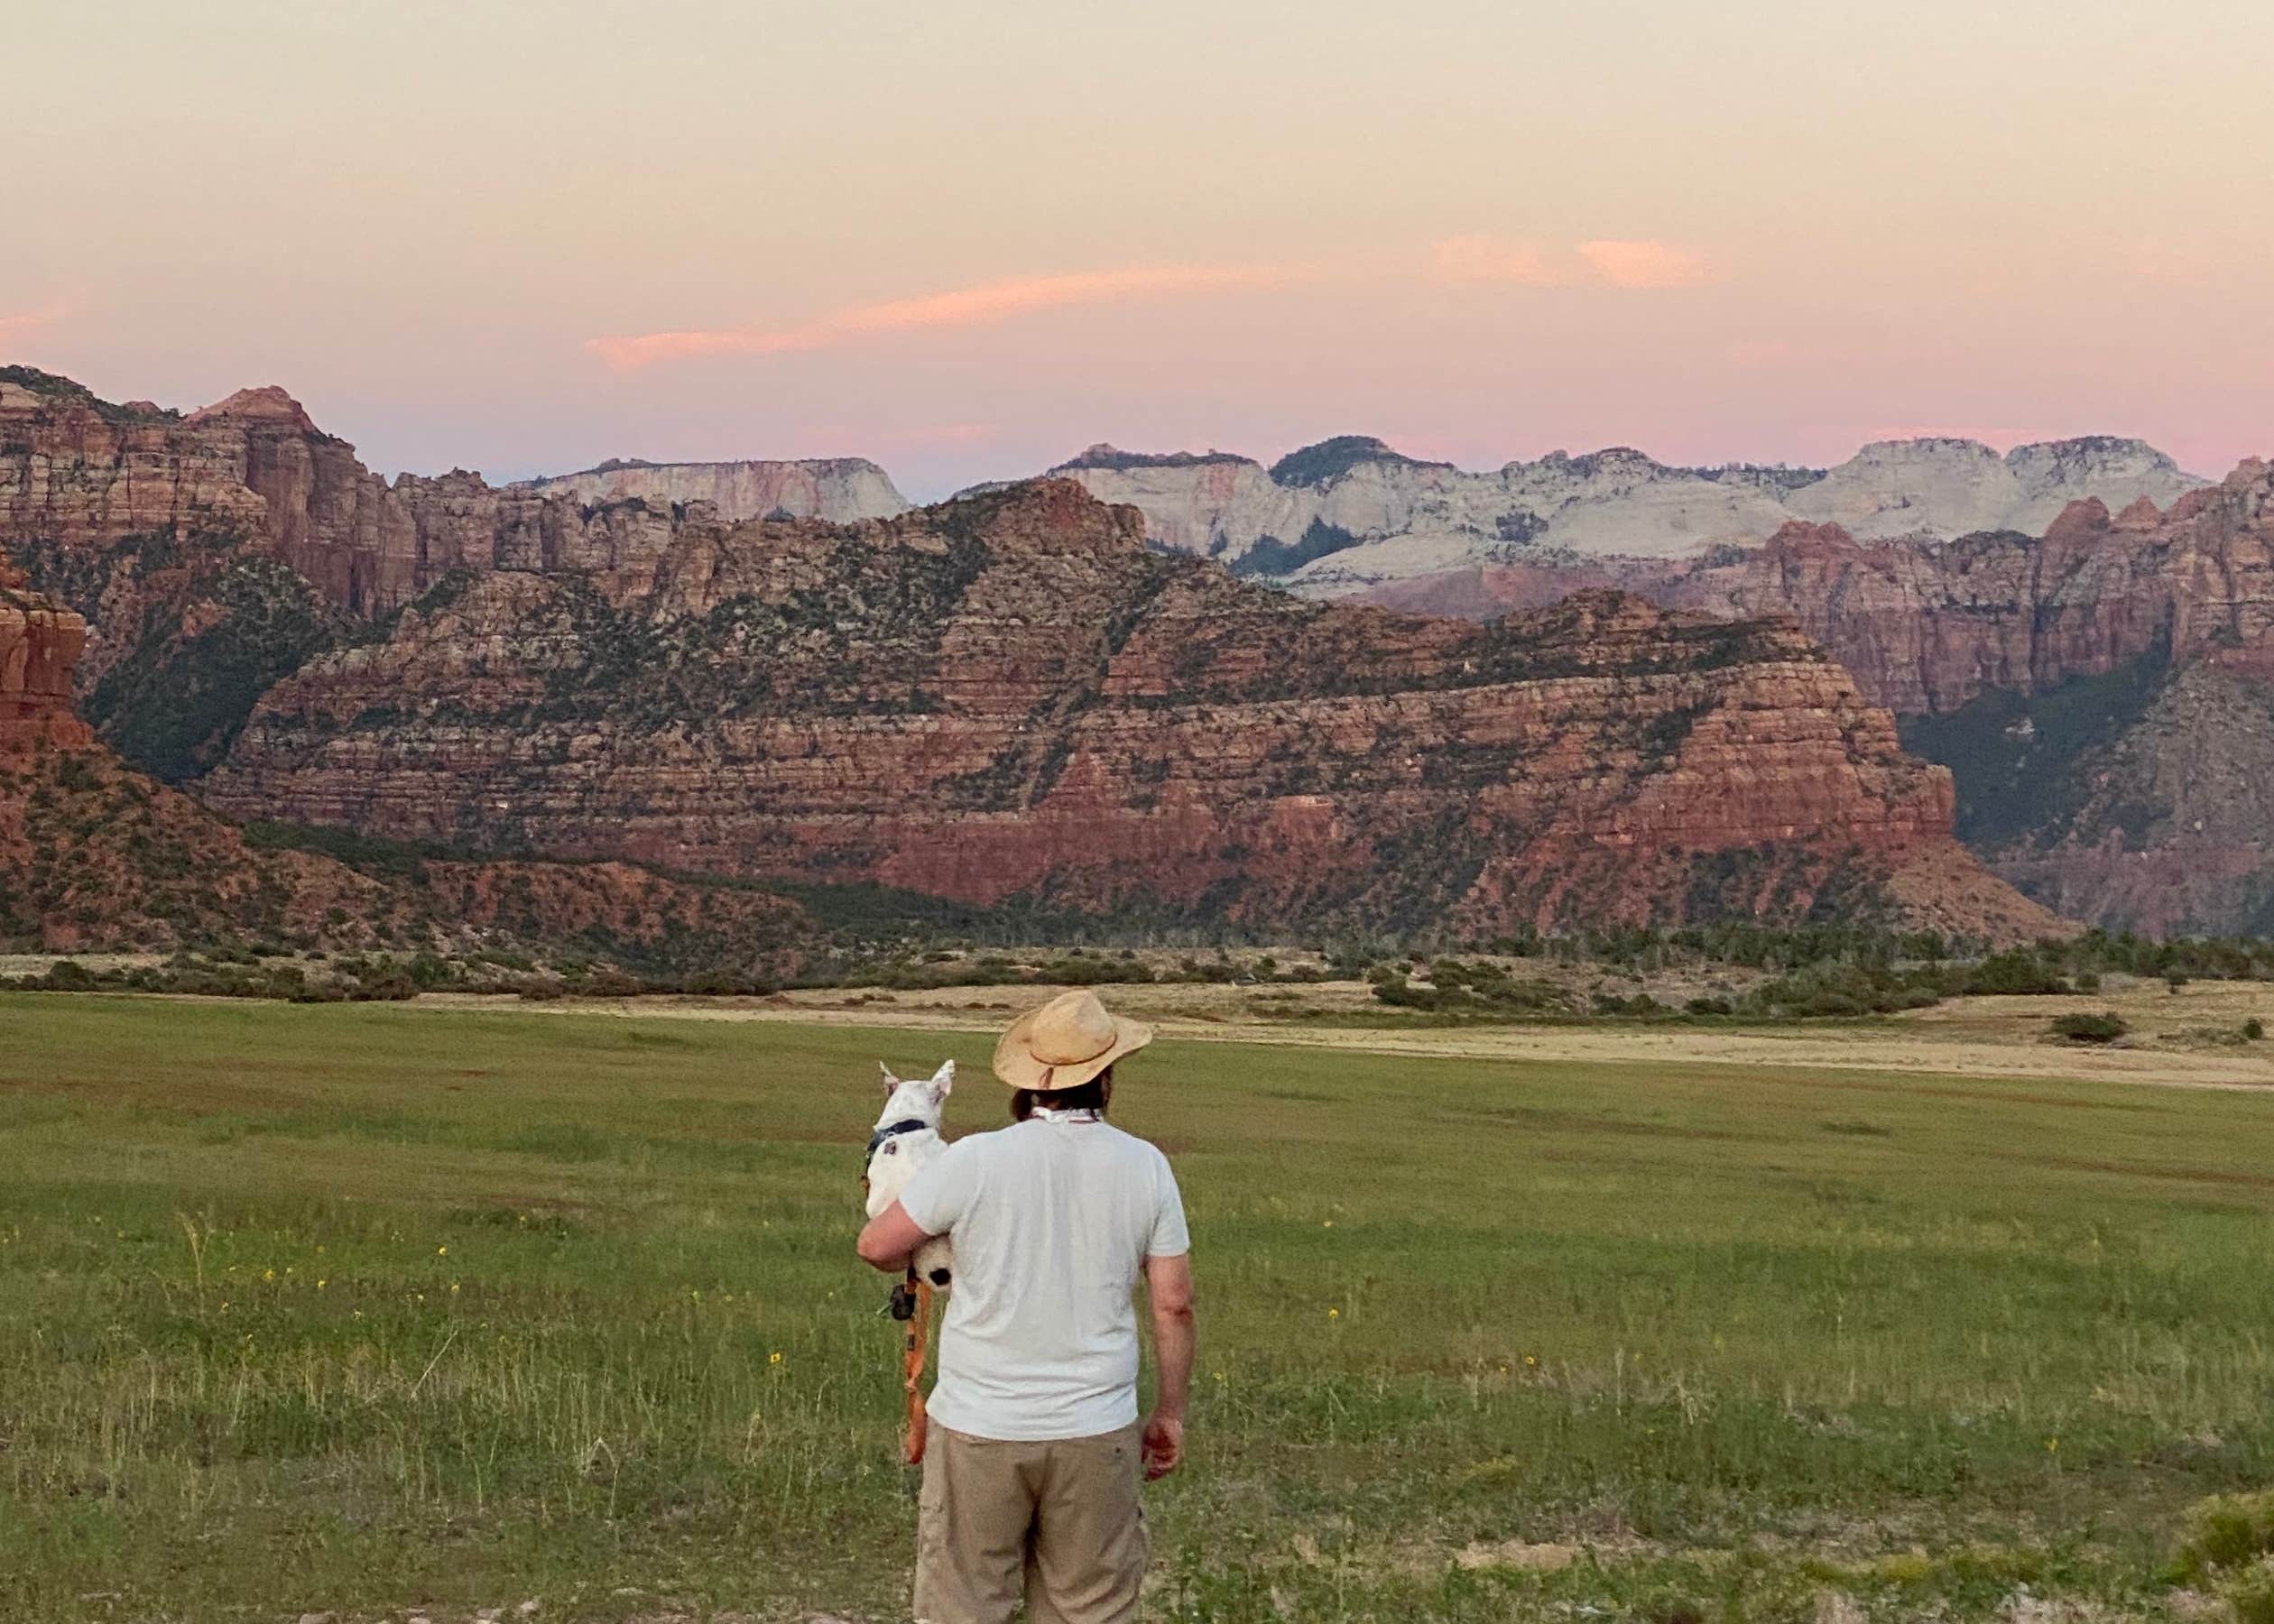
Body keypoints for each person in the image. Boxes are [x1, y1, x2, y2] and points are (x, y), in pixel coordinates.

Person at [855, 988, 1196, 1624]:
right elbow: (1173, 1304)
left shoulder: (975, 1159)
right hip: (1096, 1427)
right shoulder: (1147, 1166)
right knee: (1087, 1609)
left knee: (964, 1603)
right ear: (1106, 1078)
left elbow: (876, 1245)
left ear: (1026, 1080)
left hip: (981, 1423)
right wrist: (1170, 1413)